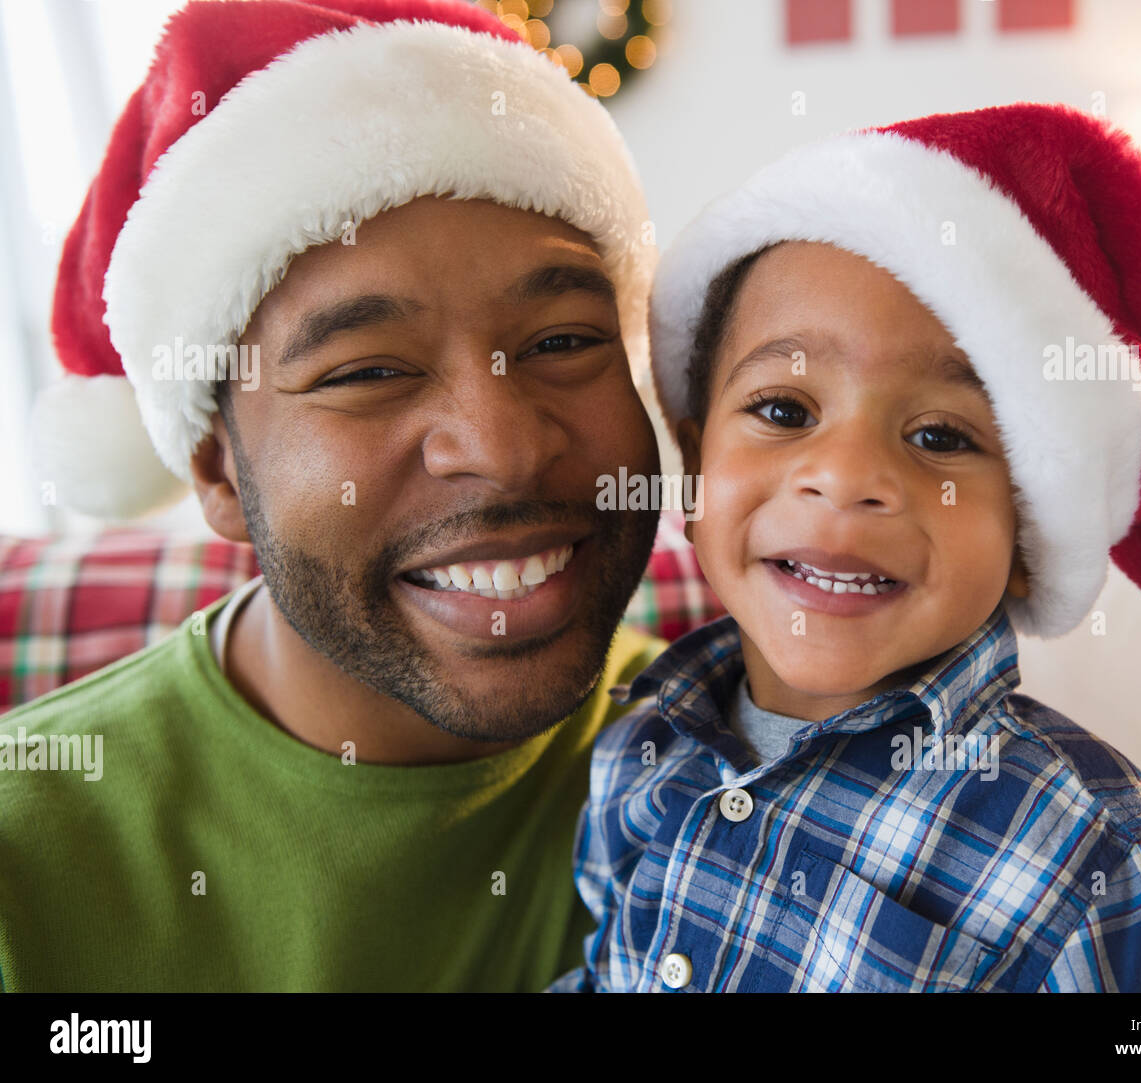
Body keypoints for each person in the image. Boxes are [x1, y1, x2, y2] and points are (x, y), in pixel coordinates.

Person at [0, 0, 667, 992]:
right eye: (366, 371)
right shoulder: (28, 846)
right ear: (218, 471)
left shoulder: (745, 771)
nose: (506, 448)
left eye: (564, 342)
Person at [560, 104, 1141, 992]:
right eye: (784, 410)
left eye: (941, 436)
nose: (847, 474)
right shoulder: (637, 752)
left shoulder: (1113, 868)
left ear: (1028, 535)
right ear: (696, 457)